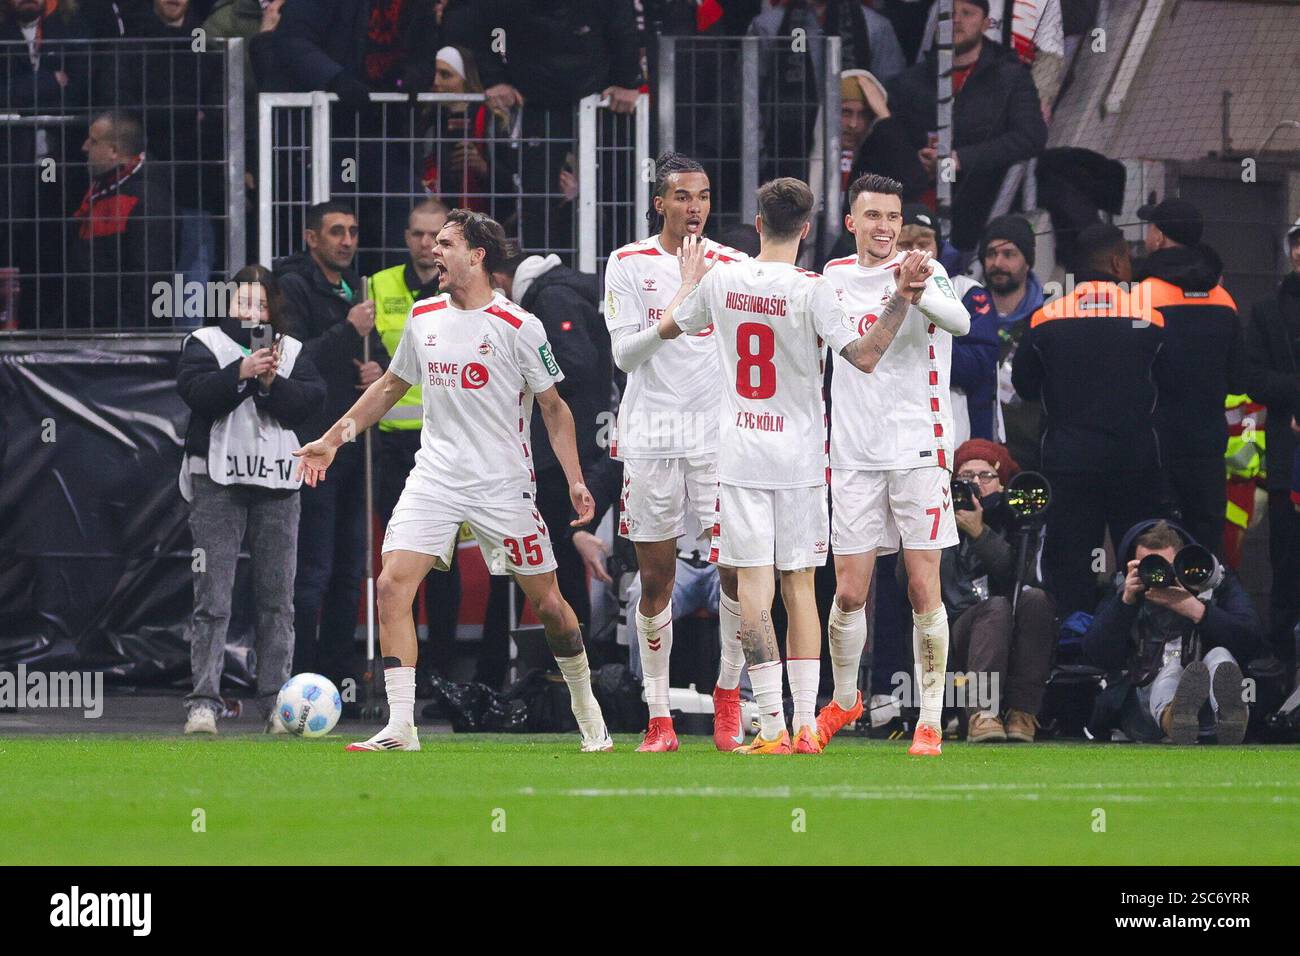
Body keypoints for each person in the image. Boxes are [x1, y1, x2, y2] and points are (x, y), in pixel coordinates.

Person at [293, 209, 612, 753]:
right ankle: (401, 726)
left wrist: (579, 481)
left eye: (445, 243)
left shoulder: (519, 327)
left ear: (478, 255)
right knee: (394, 582)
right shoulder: (425, 316)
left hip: (503, 484)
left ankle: (587, 710)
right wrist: (334, 436)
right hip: (435, 476)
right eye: (433, 242)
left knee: (551, 606)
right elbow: (392, 386)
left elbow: (555, 409)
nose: (433, 252)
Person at [660, 176, 924, 754]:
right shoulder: (814, 288)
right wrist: (901, 296)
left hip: (739, 455)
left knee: (753, 588)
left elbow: (671, 330)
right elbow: (866, 356)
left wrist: (686, 285)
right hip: (802, 457)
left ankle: (772, 725)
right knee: (800, 586)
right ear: (806, 230)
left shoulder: (722, 279)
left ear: (758, 224)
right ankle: (807, 722)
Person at [822, 172, 972, 757]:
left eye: (893, 216)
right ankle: (844, 699)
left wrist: (915, 290)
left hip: (918, 448)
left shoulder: (924, 270)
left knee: (919, 585)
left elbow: (960, 323)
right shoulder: (833, 277)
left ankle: (929, 718)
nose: (884, 227)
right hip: (854, 455)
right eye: (873, 216)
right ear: (851, 222)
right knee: (850, 593)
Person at [603, 151, 747, 753]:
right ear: (659, 202)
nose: (695, 208)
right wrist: (681, 306)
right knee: (656, 576)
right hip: (653, 437)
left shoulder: (735, 264)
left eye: (704, 196)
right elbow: (624, 356)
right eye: (683, 197)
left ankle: (729, 702)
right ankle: (659, 717)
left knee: (737, 571)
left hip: (718, 438)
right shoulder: (627, 263)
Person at [175, 266, 326, 734]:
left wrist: (270, 385)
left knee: (277, 600)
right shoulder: (204, 343)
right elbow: (197, 395)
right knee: (212, 597)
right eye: (243, 303)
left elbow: (312, 402)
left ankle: (276, 703)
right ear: (227, 305)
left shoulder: (294, 350)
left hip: (279, 485)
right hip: (215, 482)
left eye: (261, 304)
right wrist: (241, 373)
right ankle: (203, 702)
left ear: (274, 308)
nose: (253, 312)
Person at [1011, 223, 1170, 618]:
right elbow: (1169, 385)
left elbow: (1025, 386)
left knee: (1069, 563)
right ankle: (1137, 651)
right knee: (1139, 558)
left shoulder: (1045, 318)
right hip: (1134, 461)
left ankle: (1069, 652)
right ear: (1117, 263)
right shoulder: (1149, 318)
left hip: (1068, 463)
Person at [276, 201, 389, 697]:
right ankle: (297, 674)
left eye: (353, 231)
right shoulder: (292, 287)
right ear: (312, 239)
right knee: (313, 571)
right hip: (313, 444)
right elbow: (291, 361)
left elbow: (381, 360)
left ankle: (338, 677)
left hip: (354, 446)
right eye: (336, 232)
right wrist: (349, 329)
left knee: (351, 570)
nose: (347, 240)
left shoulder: (358, 287)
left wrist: (377, 369)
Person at [490, 246, 610, 640]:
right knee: (558, 559)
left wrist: (523, 375)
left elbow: (577, 364)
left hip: (564, 453)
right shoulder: (558, 291)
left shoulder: (550, 297)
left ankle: (572, 667)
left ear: (501, 280)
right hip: (570, 447)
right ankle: (569, 669)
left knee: (557, 562)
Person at [899, 439, 1055, 743]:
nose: (976, 485)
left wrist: (981, 533)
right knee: (994, 609)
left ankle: (1022, 713)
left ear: (1002, 484)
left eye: (985, 476)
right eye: (967, 477)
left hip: (1009, 628)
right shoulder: (937, 520)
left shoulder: (1019, 520)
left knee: (1036, 601)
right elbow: (907, 581)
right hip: (956, 632)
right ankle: (982, 711)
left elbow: (1020, 578)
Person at [369, 200, 461, 682]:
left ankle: (441, 668)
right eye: (418, 235)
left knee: (443, 565)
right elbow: (374, 367)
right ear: (406, 237)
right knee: (396, 562)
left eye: (436, 236)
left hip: (444, 448)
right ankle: (399, 672)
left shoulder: (457, 291)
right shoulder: (378, 285)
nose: (427, 245)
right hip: (392, 447)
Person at [888, 0, 1047, 256]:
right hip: (916, 206)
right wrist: (917, 160)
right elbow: (891, 140)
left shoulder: (1011, 76)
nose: (956, 20)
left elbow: (1032, 136)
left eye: (967, 13)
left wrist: (960, 159)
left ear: (986, 23)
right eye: (948, 14)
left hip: (982, 204)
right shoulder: (908, 82)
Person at [1083, 520, 1261, 744]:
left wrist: (1197, 610)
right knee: (1171, 673)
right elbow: (1095, 653)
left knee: (1220, 658)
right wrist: (1125, 602)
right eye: (1149, 566)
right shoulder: (1124, 590)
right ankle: (1175, 719)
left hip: (1207, 700)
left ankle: (1231, 718)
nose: (1159, 576)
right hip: (1145, 704)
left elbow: (1252, 641)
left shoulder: (1215, 583)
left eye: (1166, 567)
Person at [1134, 197, 1245, 558]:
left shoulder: (1142, 297)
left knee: (1157, 542)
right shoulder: (1223, 298)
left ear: (1160, 238)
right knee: (1207, 544)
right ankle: (1210, 610)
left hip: (1157, 446)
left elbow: (1132, 374)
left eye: (1151, 227)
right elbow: (1239, 377)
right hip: (1209, 446)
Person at [1245, 220, 1300, 682]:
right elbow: (1254, 379)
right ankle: (1282, 666)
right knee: (1287, 564)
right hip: (1288, 467)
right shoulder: (1266, 312)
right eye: (1297, 242)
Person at [895, 205, 999, 445]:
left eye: (924, 244)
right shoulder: (875, 290)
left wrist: (919, 347)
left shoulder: (968, 292)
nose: (915, 253)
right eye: (905, 244)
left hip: (952, 425)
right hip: (891, 425)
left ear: (938, 247)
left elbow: (979, 362)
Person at [69, 110, 175, 327]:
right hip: (95, 327)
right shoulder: (101, 188)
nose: (84, 147)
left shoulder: (148, 198)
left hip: (126, 335)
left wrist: (127, 332)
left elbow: (149, 276)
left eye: (93, 141)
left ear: (114, 151)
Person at [978, 215, 1046, 467]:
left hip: (1030, 455)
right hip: (977, 456)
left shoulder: (1047, 319)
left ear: (1027, 261)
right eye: (991, 253)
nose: (998, 263)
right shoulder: (967, 317)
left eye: (1009, 254)